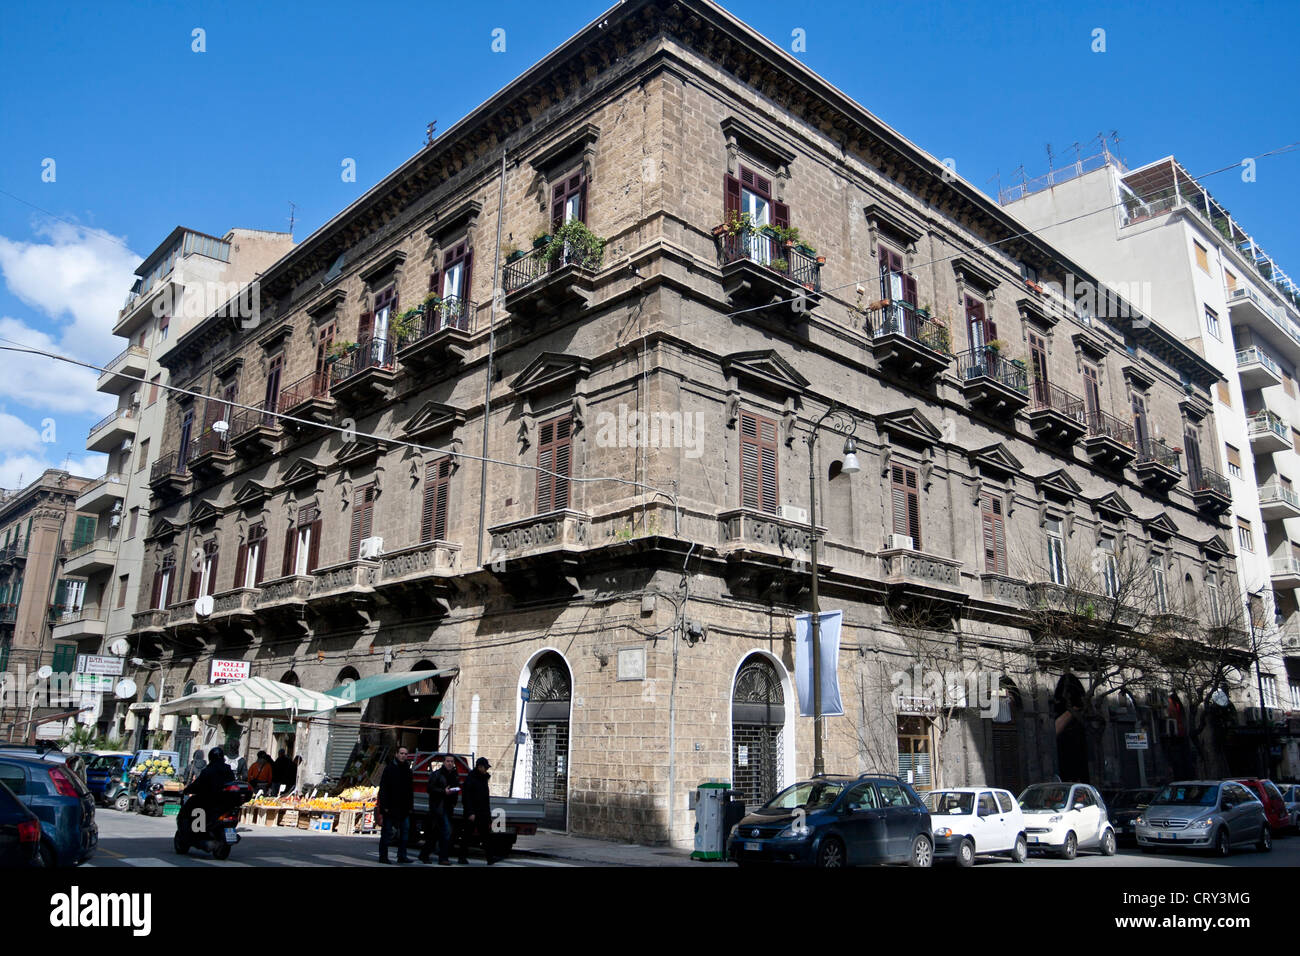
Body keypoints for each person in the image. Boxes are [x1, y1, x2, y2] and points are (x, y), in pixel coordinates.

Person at [179, 745, 235, 837]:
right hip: (225, 802)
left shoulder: (208, 770)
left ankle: (197, 832)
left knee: (194, 807)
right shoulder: (228, 770)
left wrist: (187, 790)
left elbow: (198, 783)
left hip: (209, 800)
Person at [419, 754, 462, 865]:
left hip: (448, 807)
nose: (450, 763)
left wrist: (454, 796)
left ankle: (424, 854)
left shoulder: (454, 775)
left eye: (452, 761)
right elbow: (430, 789)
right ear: (444, 762)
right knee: (446, 832)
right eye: (448, 761)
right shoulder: (437, 774)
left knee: (436, 833)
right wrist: (444, 791)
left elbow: (456, 789)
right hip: (438, 807)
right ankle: (443, 858)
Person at [376, 747, 414, 864]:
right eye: (401, 753)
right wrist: (384, 806)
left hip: (404, 808)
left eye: (405, 754)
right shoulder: (390, 769)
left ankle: (402, 855)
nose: (403, 756)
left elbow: (409, 790)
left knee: (405, 832)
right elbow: (383, 789)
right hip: (390, 807)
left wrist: (410, 806)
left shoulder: (407, 770)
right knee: (387, 832)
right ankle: (383, 856)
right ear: (396, 754)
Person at [460, 757, 499, 865]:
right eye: (485, 767)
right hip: (473, 813)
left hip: (482, 813)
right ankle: (462, 857)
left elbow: (485, 799)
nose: (486, 770)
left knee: (486, 836)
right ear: (479, 767)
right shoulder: (471, 778)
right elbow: (466, 797)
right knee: (467, 836)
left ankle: (490, 858)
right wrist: (470, 812)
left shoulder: (483, 779)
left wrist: (488, 816)